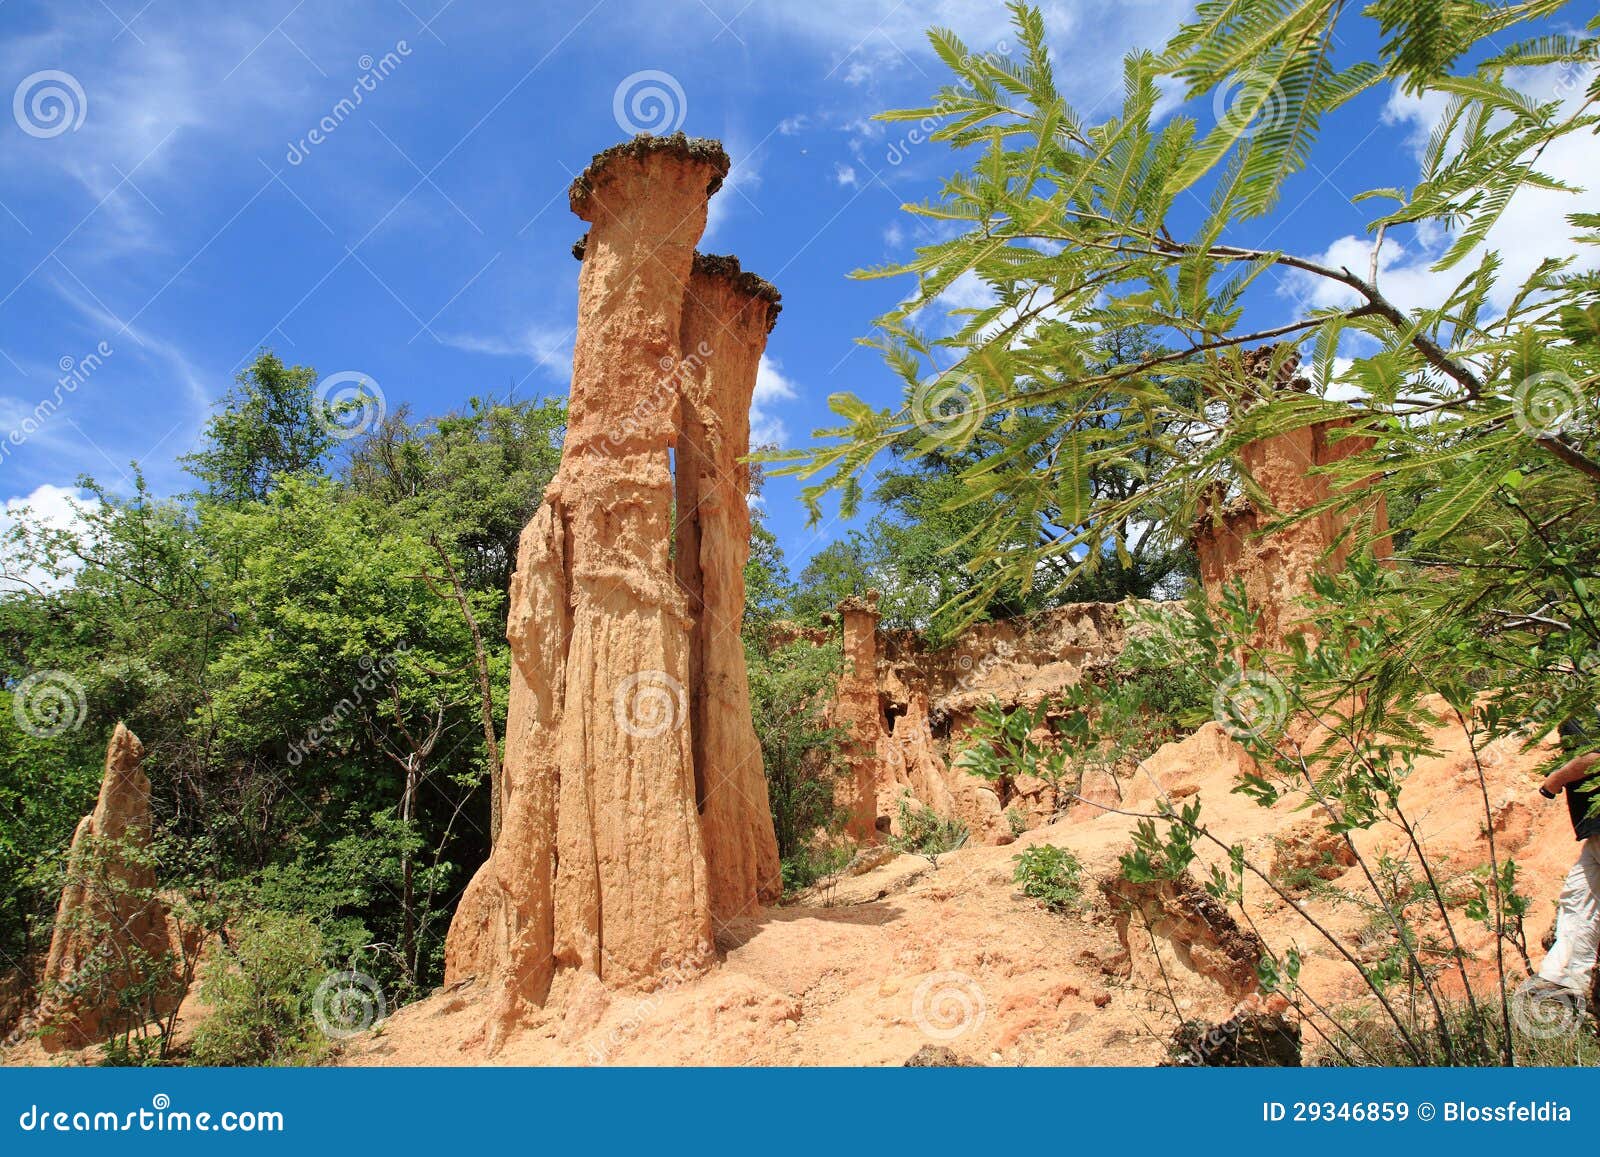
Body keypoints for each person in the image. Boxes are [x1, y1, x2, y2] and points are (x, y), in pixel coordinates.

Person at [1533, 724, 1600, 1003]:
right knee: (1577, 898)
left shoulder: (1583, 704)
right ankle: (1561, 981)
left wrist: (1555, 780)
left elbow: (1595, 756)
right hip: (1595, 835)